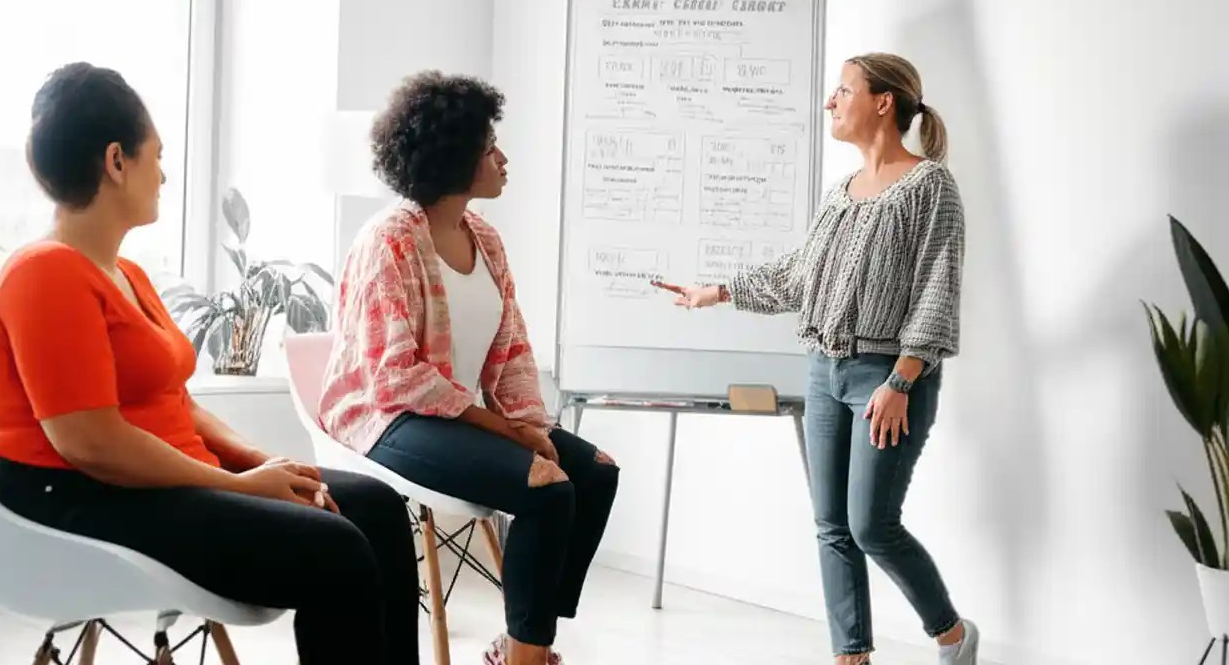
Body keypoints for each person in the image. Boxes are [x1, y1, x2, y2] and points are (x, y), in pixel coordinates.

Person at [0, 62, 420, 665]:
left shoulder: (124, 273)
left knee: (376, 506)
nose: (163, 172)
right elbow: (89, 442)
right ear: (116, 162)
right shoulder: (44, 275)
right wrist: (234, 485)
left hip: (150, 482)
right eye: (155, 155)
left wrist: (260, 462)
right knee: (334, 548)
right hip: (76, 496)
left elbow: (176, 403)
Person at [657, 53, 978, 665]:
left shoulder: (930, 186)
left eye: (843, 90)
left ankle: (953, 636)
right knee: (831, 525)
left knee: (870, 525)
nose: (831, 101)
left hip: (887, 378)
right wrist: (715, 291)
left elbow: (938, 291)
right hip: (823, 371)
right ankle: (850, 655)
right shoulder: (841, 192)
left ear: (883, 102)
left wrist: (901, 381)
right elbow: (799, 277)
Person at [319, 70, 620, 665]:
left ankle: (521, 638)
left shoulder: (485, 238)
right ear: (455, 156)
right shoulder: (390, 241)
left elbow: (510, 352)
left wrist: (531, 423)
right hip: (387, 420)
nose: (503, 158)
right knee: (547, 487)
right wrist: (512, 434)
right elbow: (394, 379)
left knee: (597, 472)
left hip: (459, 417)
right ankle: (528, 658)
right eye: (489, 147)